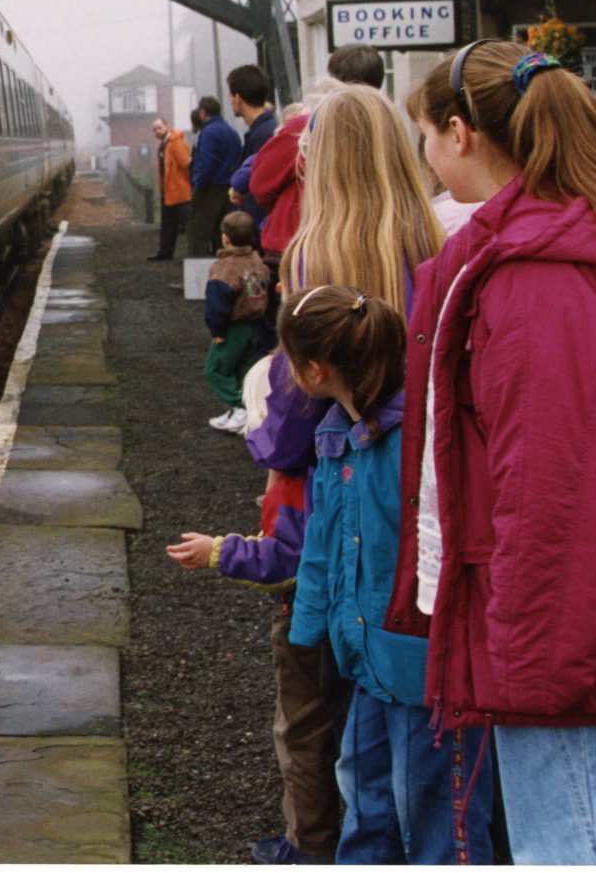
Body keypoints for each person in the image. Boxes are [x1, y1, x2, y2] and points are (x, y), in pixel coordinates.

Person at [400, 40, 596, 865]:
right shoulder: (553, 247)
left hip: (571, 653)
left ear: (460, 133)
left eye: (427, 137)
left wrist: (530, 665)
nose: (427, 157)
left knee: (583, 846)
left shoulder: (529, 280)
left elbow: (564, 486)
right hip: (591, 629)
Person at [237, 83, 449, 866]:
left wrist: (260, 434)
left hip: (329, 493)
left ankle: (314, 844)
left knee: (316, 693)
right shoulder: (435, 238)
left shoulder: (314, 253)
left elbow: (293, 421)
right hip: (420, 490)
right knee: (402, 708)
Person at [280, 285, 494, 863]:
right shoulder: (335, 437)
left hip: (427, 669)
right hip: (369, 658)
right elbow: (321, 551)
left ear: (315, 370)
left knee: (435, 811)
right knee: (367, 791)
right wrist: (309, 636)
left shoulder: (417, 443)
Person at [246, 46, 387, 261]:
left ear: (332, 78)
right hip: (366, 239)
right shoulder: (386, 127)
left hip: (302, 239)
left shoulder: (307, 127)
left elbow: (261, 183)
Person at [203, 209, 272, 431]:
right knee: (244, 370)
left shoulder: (224, 269)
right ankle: (243, 409)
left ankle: (239, 407)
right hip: (254, 324)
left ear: (226, 237)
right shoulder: (257, 262)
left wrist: (217, 330)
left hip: (233, 328)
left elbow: (217, 304)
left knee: (215, 370)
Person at [186, 95, 240, 255]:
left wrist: (198, 186)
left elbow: (206, 163)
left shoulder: (208, 132)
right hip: (229, 188)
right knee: (223, 234)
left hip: (210, 188)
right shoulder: (232, 131)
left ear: (203, 112)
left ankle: (197, 273)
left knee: (199, 233)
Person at [224, 63, 278, 224]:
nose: (230, 99)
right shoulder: (268, 129)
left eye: (231, 95)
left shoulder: (263, 135)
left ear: (238, 98)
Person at [149, 117, 191, 261]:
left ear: (166, 126)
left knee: (187, 222)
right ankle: (165, 252)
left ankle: (196, 253)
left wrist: (185, 184)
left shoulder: (175, 142)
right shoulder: (164, 145)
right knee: (167, 223)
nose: (157, 131)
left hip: (179, 191)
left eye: (159, 128)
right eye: (155, 129)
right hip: (168, 191)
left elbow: (185, 164)